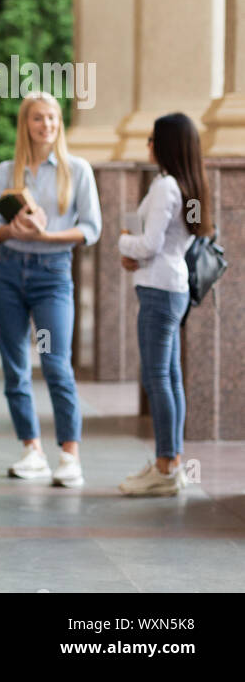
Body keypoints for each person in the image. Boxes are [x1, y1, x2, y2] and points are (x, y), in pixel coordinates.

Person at [0, 92, 101, 488]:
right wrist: (10, 229)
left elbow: (91, 229)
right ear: (26, 124)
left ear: (59, 123)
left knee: (54, 362)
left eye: (51, 118)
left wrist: (48, 234)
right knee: (15, 366)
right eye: (37, 118)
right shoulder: (7, 170)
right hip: (9, 276)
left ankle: (69, 454)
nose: (45, 125)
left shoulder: (77, 170)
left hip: (52, 276)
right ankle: (31, 449)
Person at [117, 113, 210, 496]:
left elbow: (149, 244)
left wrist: (123, 243)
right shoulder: (185, 184)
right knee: (168, 377)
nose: (148, 145)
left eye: (153, 138)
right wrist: (131, 234)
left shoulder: (166, 187)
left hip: (158, 288)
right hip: (172, 287)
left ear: (167, 144)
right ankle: (168, 462)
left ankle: (166, 466)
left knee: (158, 378)